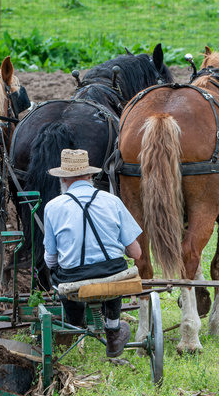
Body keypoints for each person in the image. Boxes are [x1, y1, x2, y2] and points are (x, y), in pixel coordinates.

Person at [42, 149, 143, 357]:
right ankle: (114, 330)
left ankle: (75, 321)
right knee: (115, 271)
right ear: (90, 176)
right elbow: (136, 253)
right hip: (112, 276)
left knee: (57, 271)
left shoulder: (53, 207)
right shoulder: (112, 201)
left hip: (72, 280)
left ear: (62, 179)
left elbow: (50, 259)